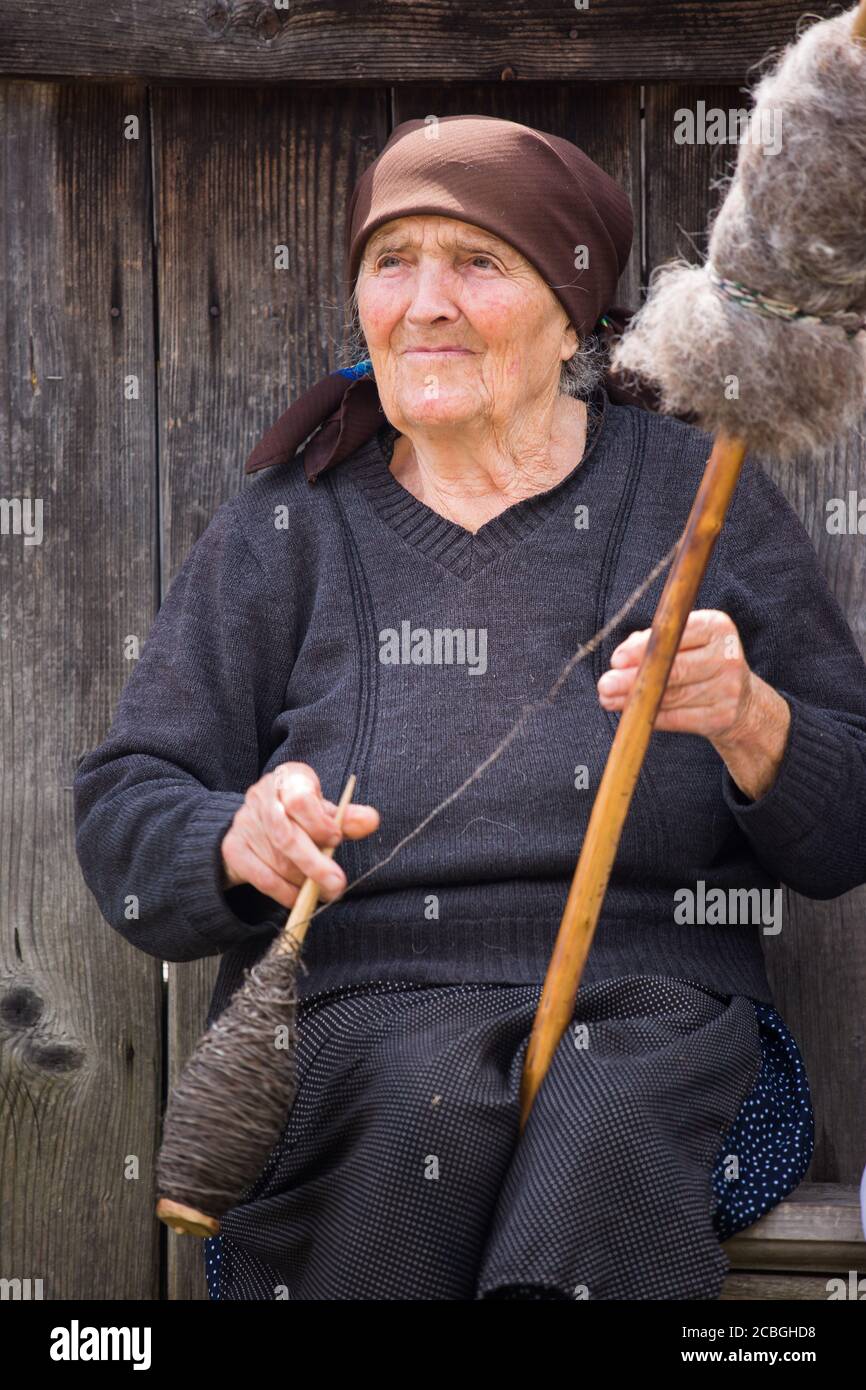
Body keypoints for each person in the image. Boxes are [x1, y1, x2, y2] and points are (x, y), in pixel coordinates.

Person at [74, 116, 866, 1300]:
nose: (424, 300)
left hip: (650, 1013)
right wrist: (236, 840)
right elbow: (126, 809)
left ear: (572, 320)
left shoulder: (696, 496)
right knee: (411, 1111)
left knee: (594, 1124)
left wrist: (748, 718)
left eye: (478, 262)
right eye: (391, 261)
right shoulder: (288, 524)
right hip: (360, 1013)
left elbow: (843, 821)